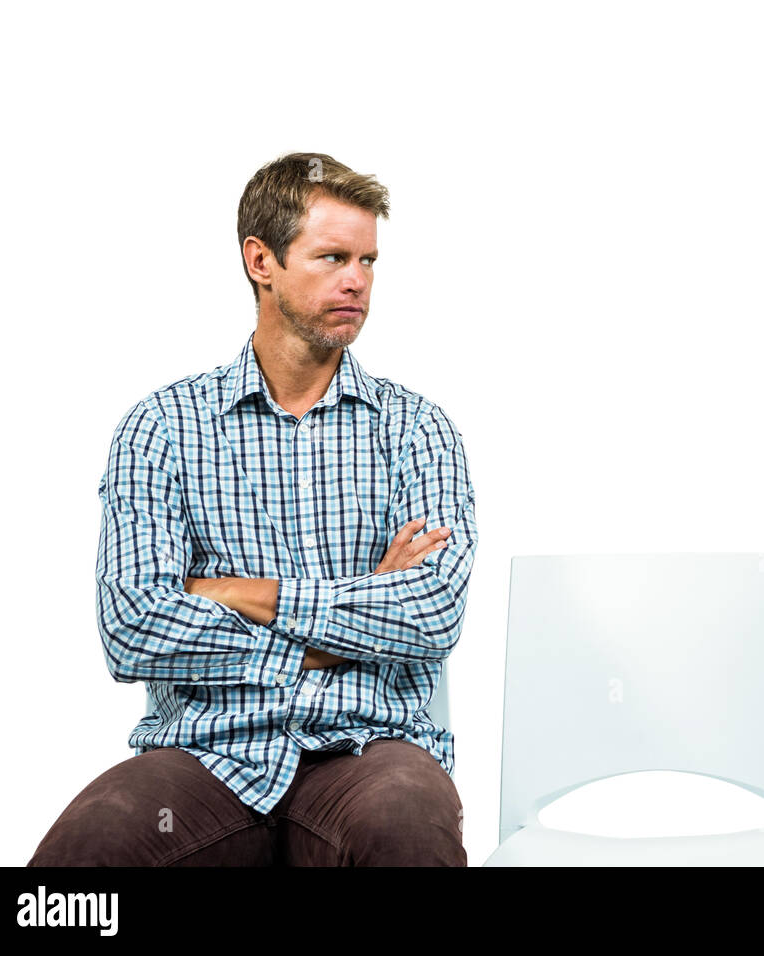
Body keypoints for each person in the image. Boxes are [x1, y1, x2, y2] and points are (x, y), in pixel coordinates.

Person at [28, 152, 477, 866]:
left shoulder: (415, 429)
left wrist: (241, 594)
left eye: (368, 260)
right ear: (260, 260)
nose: (357, 280)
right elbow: (133, 629)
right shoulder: (163, 426)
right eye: (332, 256)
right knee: (90, 849)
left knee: (405, 828)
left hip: (365, 747)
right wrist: (340, 634)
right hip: (205, 753)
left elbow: (431, 613)